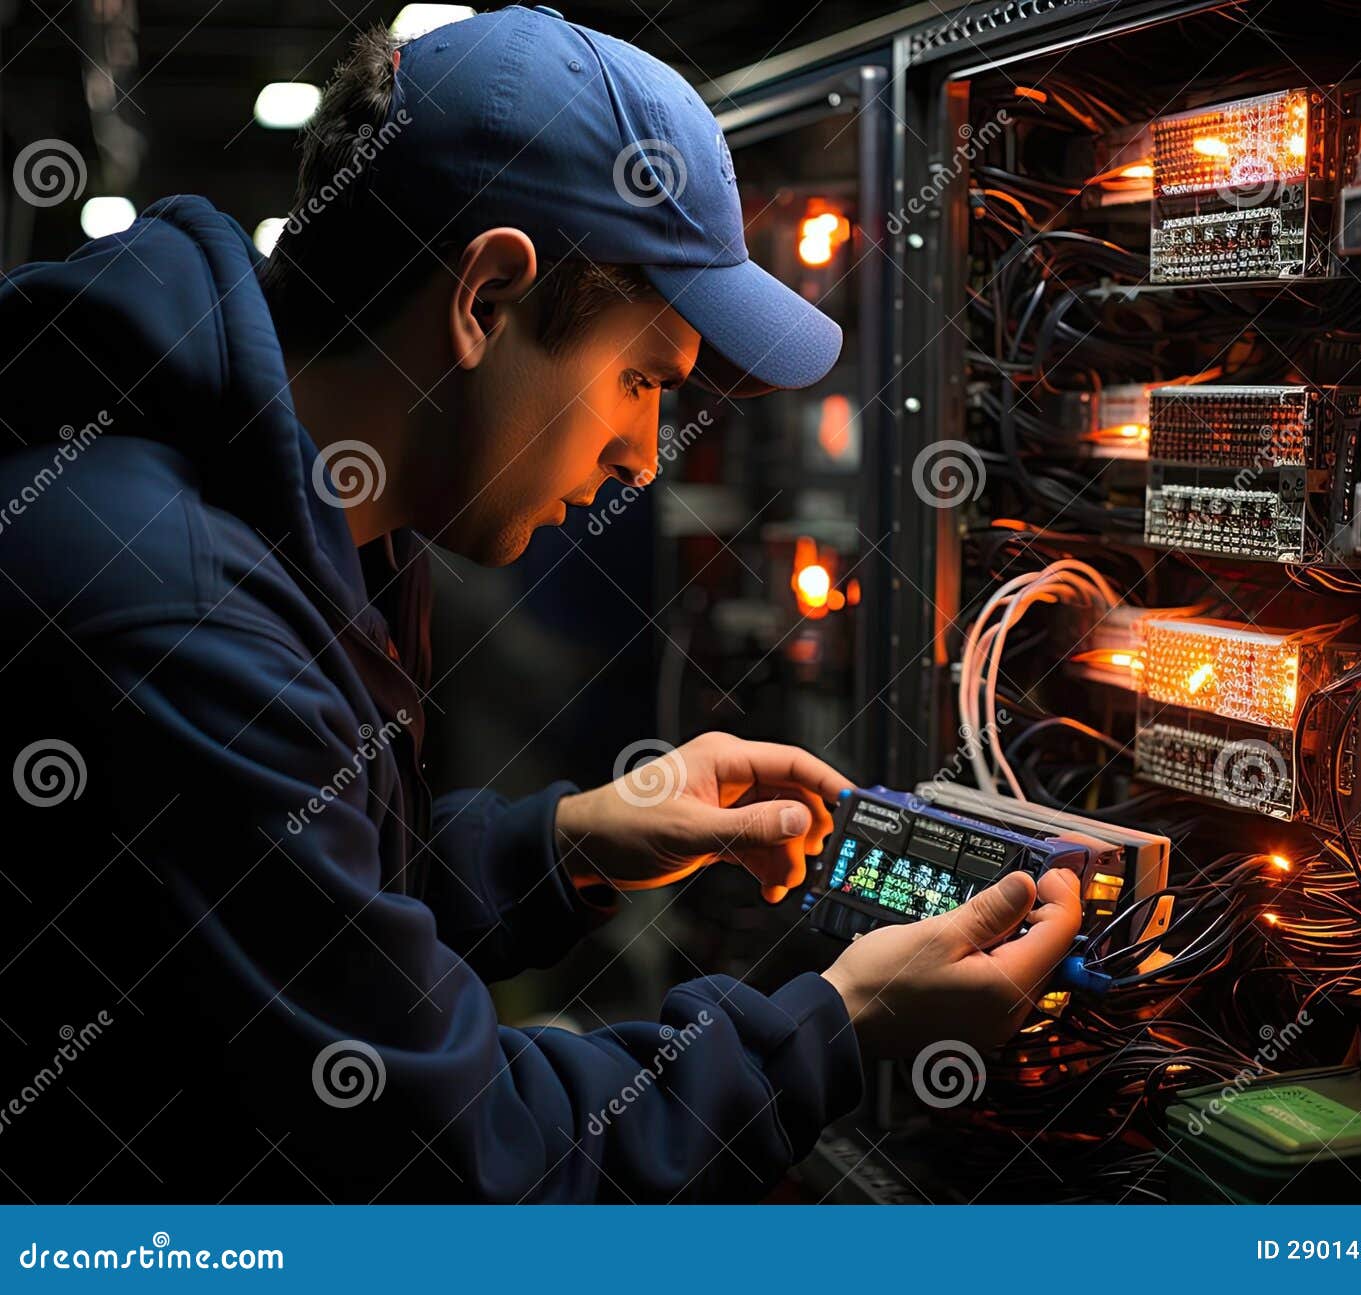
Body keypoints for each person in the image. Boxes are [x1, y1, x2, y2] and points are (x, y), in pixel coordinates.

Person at [0, 6, 1081, 1202]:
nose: (644, 455)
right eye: (640, 379)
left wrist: (568, 845)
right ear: (486, 298)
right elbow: (460, 1168)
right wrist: (841, 1019)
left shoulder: (298, 516)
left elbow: (313, 915)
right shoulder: (175, 617)